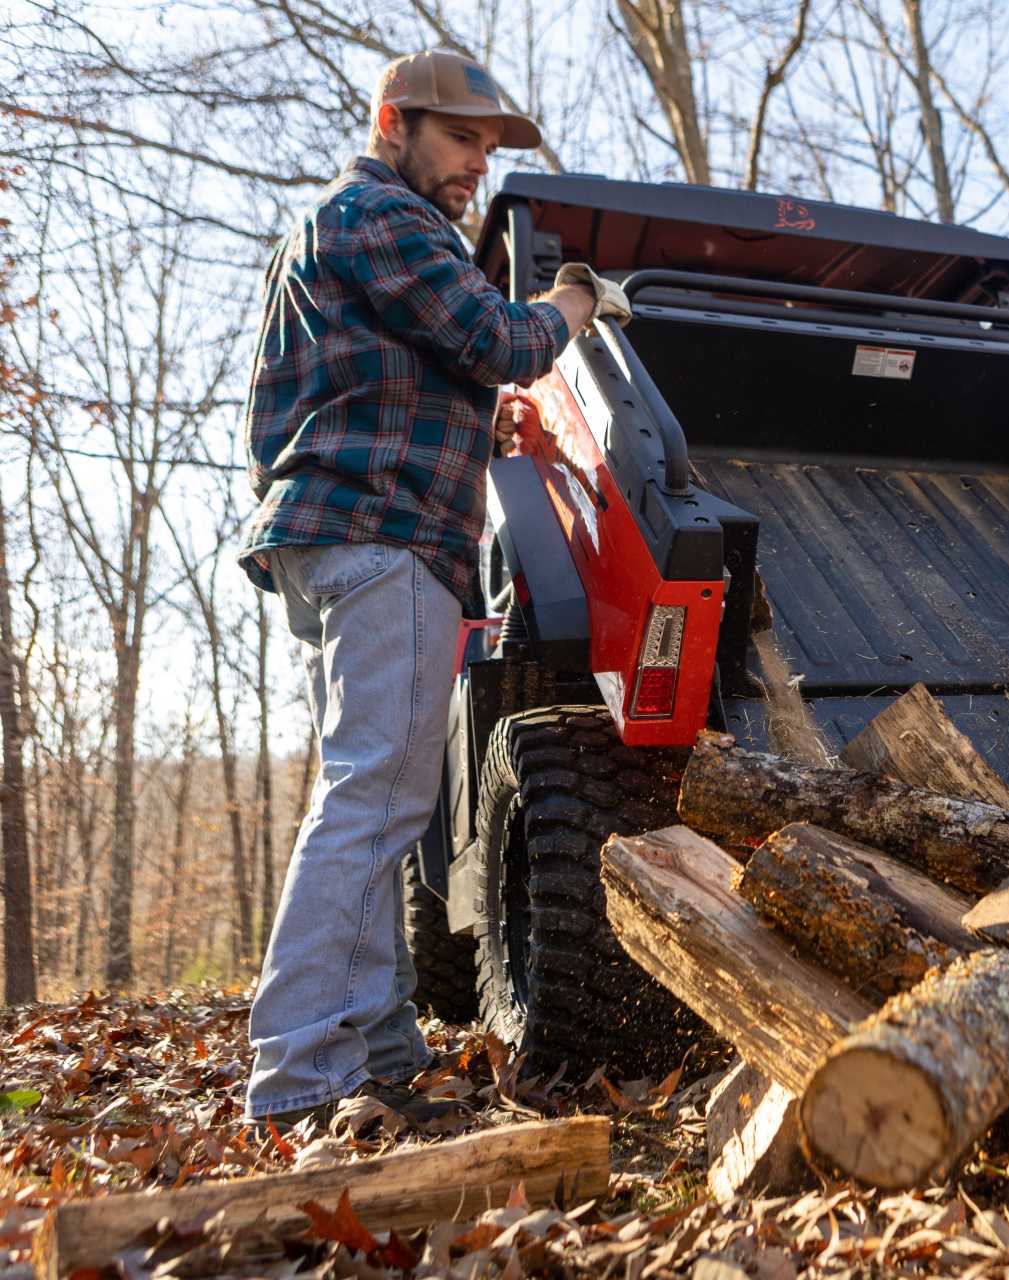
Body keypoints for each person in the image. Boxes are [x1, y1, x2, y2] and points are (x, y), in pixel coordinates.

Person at [235, 48, 632, 1131]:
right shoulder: (384, 215)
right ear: (393, 121)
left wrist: (471, 419)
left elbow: (364, 384)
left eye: (487, 149)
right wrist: (574, 301)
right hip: (384, 539)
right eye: (461, 140)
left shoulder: (330, 232)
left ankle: (376, 1041)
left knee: (373, 795)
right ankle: (301, 1070)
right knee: (373, 800)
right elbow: (499, 336)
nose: (474, 168)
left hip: (335, 542)